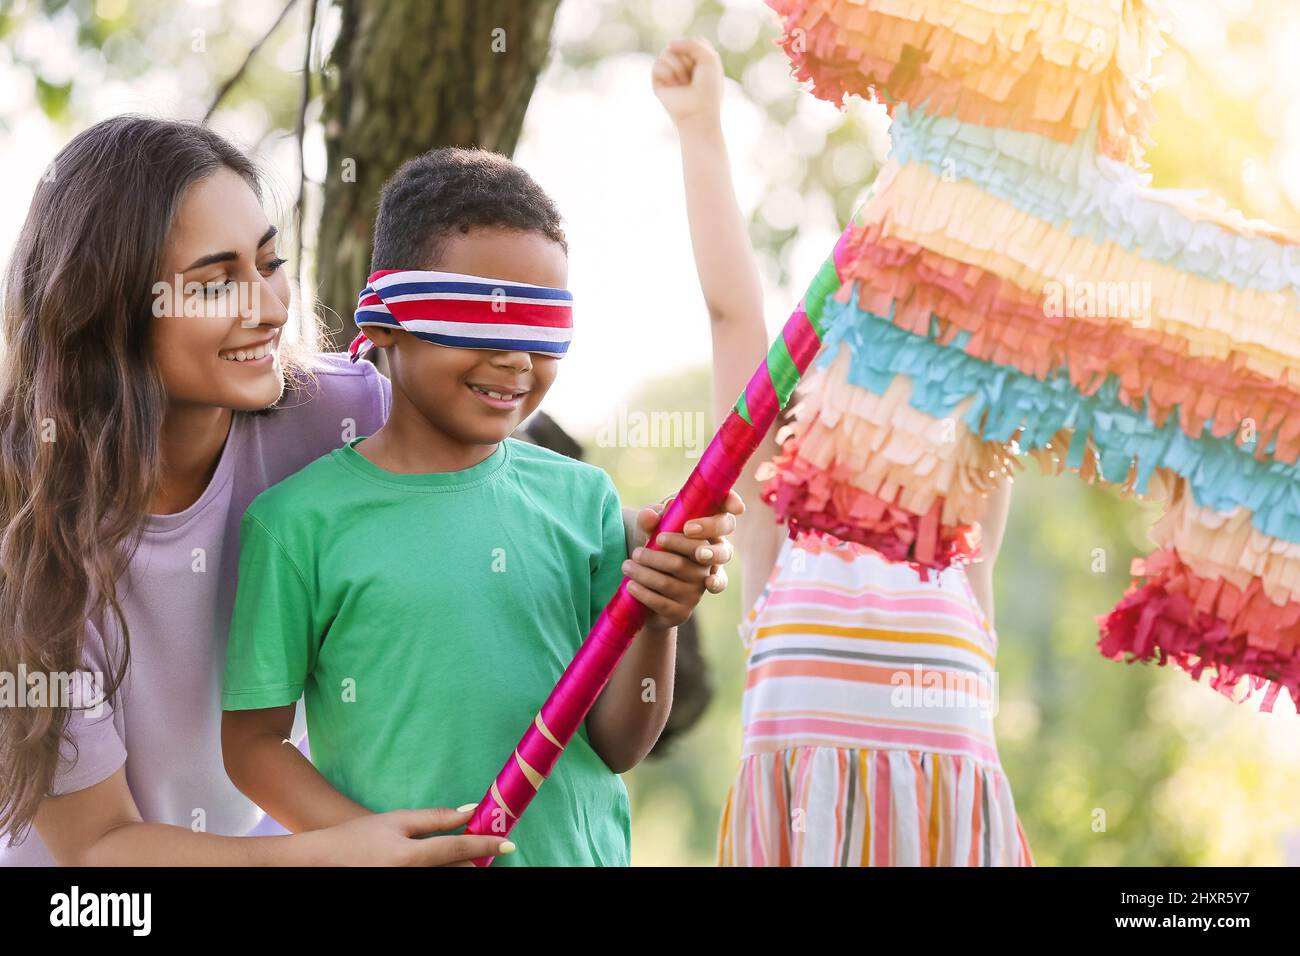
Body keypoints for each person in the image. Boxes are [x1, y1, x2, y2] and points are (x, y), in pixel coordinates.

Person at [0, 116, 737, 866]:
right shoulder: (21, 532)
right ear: (111, 307)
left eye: (269, 262)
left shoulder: (339, 412)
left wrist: (643, 574)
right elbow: (98, 847)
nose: (267, 307)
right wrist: (348, 851)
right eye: (216, 283)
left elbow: (496, 500)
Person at [219, 146, 738, 866]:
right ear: (388, 320)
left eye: (542, 330)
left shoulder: (585, 501)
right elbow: (252, 744)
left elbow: (618, 744)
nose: (518, 362)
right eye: (480, 324)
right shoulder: (295, 524)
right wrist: (371, 846)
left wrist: (657, 617)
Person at [652, 38, 1032, 866]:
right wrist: (701, 130)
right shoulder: (774, 540)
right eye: (850, 362)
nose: (883, 390)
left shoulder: (965, 554)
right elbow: (732, 316)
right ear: (796, 409)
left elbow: (1005, 338)